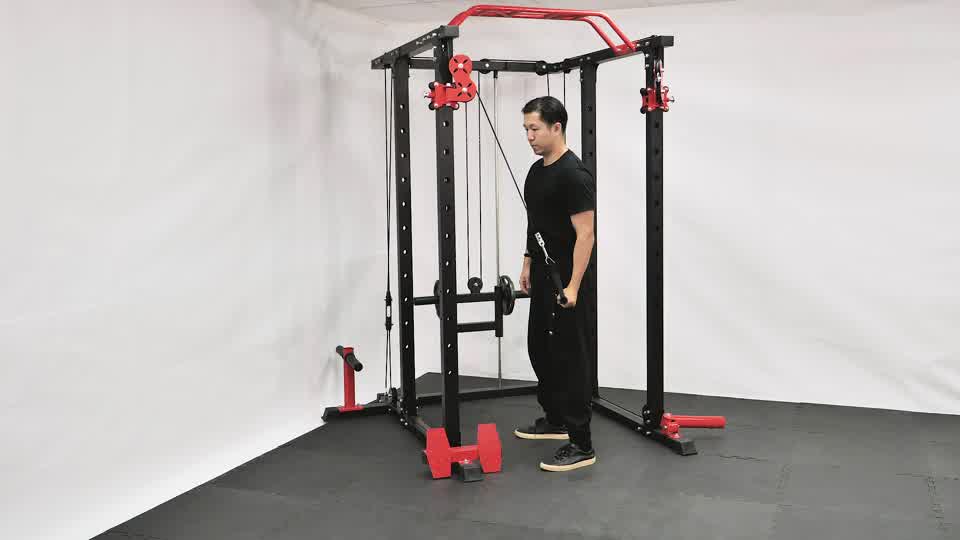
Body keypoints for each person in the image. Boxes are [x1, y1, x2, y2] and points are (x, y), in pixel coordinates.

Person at [513, 96, 598, 472]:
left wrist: (574, 286)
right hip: (543, 274)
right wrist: (527, 262)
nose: (529, 136)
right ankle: (556, 419)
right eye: (526, 129)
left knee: (570, 357)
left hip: (568, 276)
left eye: (535, 129)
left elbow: (586, 235)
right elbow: (535, 223)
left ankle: (582, 444)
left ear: (556, 127)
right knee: (540, 347)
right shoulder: (536, 173)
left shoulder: (574, 175)